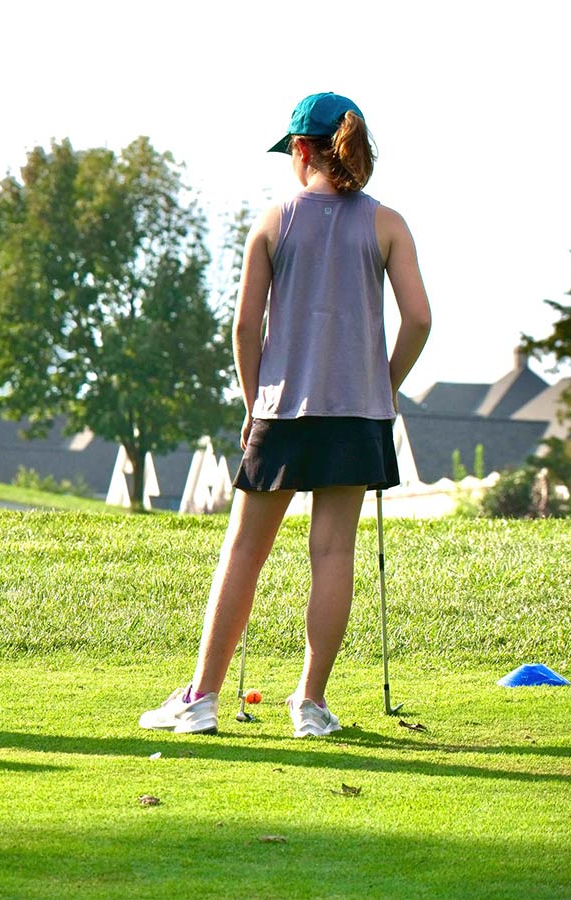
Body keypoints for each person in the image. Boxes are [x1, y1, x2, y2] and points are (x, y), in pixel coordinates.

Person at [140, 93, 431, 737]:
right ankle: (310, 704)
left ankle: (201, 699)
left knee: (243, 549)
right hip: (358, 416)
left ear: (302, 149)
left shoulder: (273, 222)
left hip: (283, 412)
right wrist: (383, 384)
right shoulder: (389, 225)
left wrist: (252, 404)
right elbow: (419, 320)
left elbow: (246, 328)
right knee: (332, 551)